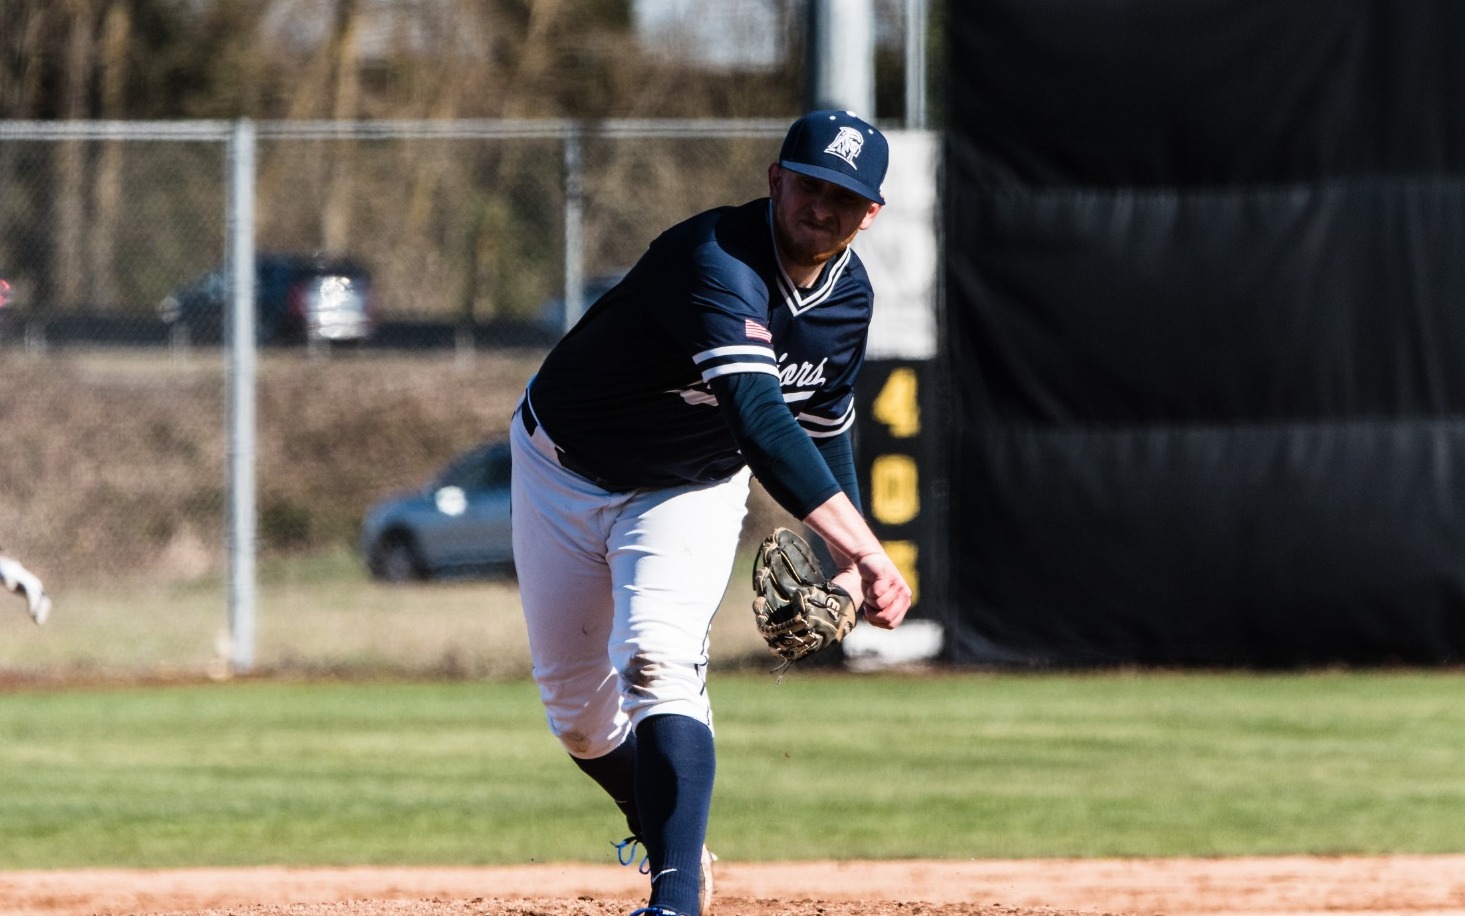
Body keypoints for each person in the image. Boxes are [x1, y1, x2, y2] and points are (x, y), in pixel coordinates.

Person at [510, 110, 912, 916]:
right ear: (775, 180)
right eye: (809, 185)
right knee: (579, 719)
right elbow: (761, 421)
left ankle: (676, 898)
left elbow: (824, 426)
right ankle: (660, 827)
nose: (821, 208)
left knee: (656, 660)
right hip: (561, 469)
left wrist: (840, 556)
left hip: (685, 489)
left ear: (870, 213)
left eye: (844, 197)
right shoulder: (713, 259)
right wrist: (866, 550)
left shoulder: (847, 301)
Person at [0, 547, 51, 625]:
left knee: (9, 579)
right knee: (9, 581)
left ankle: (40, 598)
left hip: (6, 564)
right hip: (8, 565)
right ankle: (39, 598)